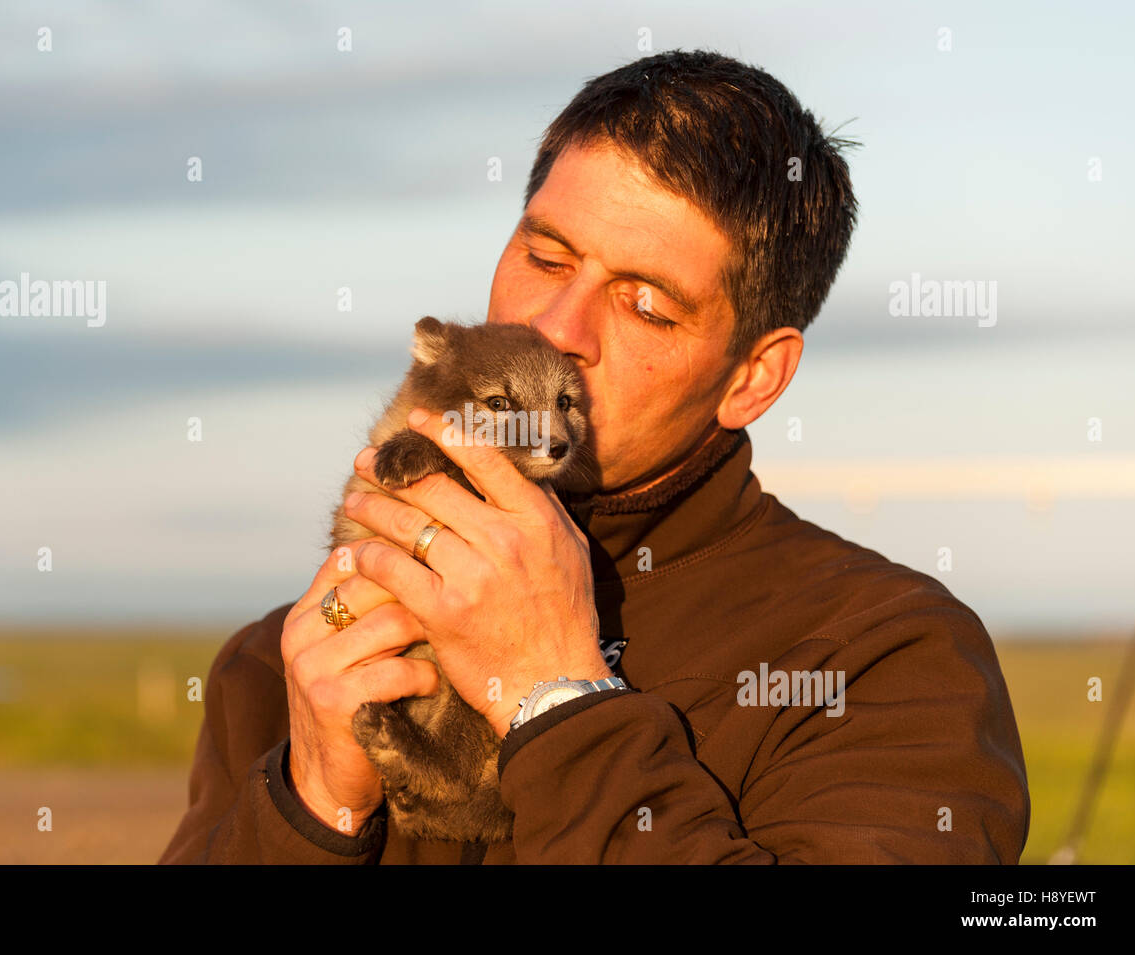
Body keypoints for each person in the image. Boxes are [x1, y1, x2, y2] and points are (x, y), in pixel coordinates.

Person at [160, 49, 1029, 865]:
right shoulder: (287, 657)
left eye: (646, 304)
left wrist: (560, 702)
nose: (558, 331)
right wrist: (308, 811)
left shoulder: (881, 662)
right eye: (545, 256)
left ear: (755, 377)